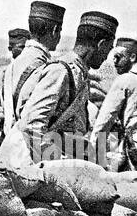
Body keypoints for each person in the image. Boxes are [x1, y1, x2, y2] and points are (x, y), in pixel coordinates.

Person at [11, 9, 118, 162]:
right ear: (101, 44)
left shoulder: (79, 73)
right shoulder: (61, 71)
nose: (107, 56)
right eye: (108, 48)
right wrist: (50, 167)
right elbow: (32, 125)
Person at [0, 0, 66, 165]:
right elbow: (33, 126)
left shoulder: (12, 66)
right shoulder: (50, 67)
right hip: (32, 161)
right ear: (55, 31)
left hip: (8, 154)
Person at [87, 37, 137, 172]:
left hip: (136, 147)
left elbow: (104, 121)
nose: (114, 62)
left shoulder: (124, 80)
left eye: (118, 57)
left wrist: (93, 152)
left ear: (132, 57)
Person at [0, 28, 30, 129]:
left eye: (27, 48)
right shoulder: (4, 74)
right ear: (10, 49)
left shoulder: (37, 70)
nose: (24, 51)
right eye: (21, 47)